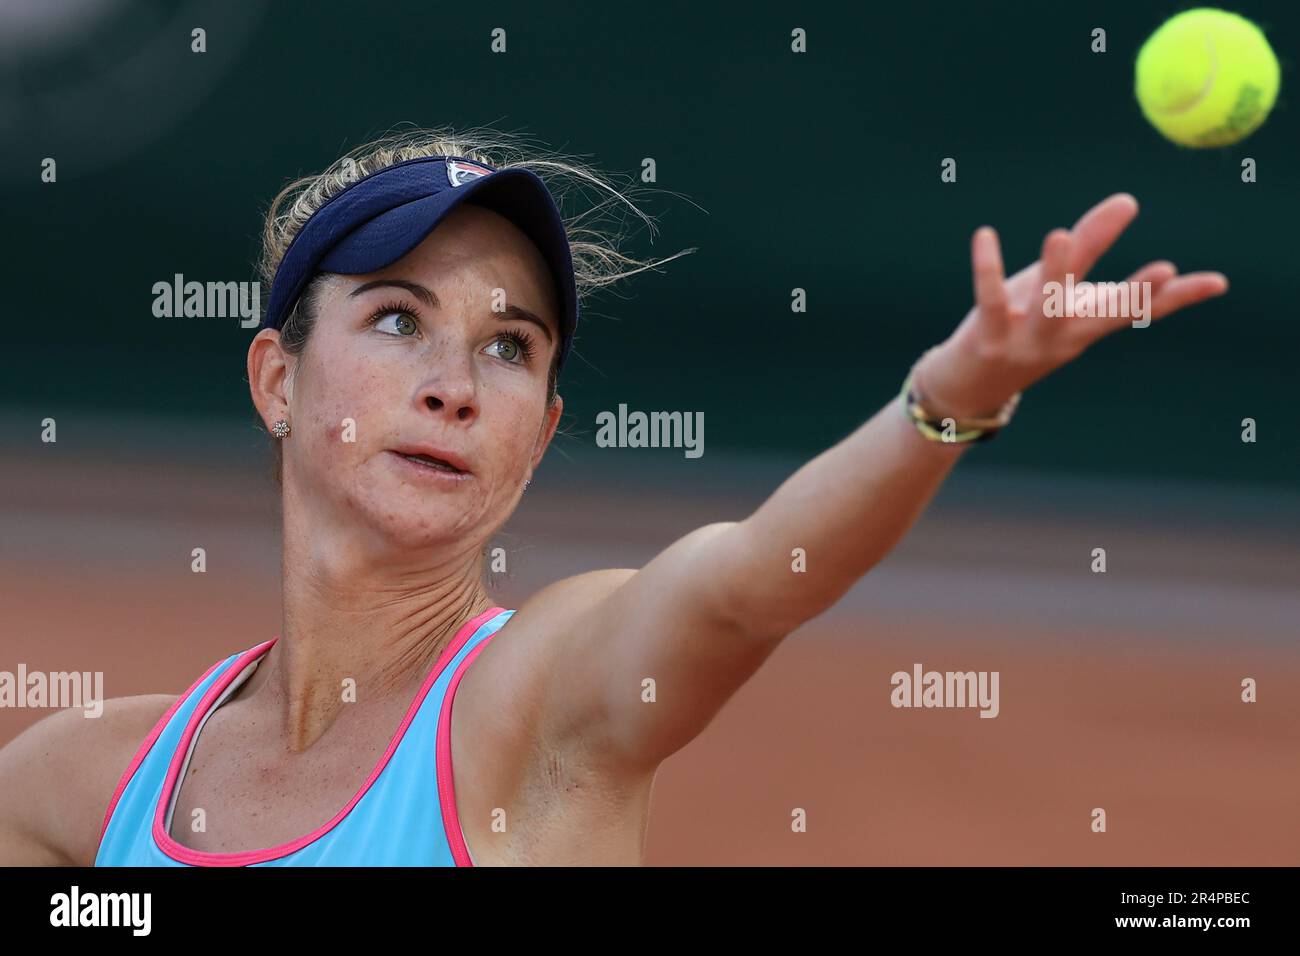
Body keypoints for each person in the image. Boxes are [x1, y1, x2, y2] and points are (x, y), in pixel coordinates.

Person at [0, 128, 1227, 866]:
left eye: (509, 347)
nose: (452, 386)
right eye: (396, 320)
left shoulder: (543, 704)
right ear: (277, 375)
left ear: (540, 436)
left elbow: (750, 584)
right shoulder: (78, 792)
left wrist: (948, 397)